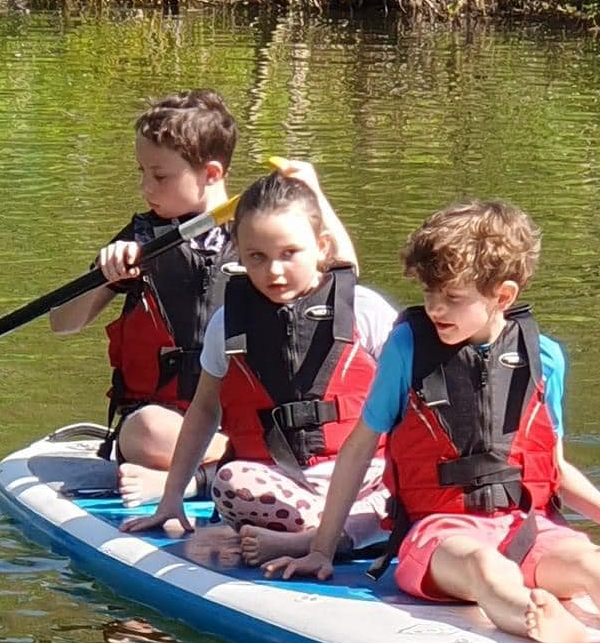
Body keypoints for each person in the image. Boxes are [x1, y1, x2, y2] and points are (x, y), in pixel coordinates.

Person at [264, 198, 600, 643]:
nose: (435, 307)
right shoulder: (407, 350)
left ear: (503, 295)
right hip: (439, 534)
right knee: (483, 566)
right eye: (431, 292)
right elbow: (357, 450)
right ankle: (532, 616)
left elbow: (552, 466)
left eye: (452, 296)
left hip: (527, 527)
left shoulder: (543, 358)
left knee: (595, 562)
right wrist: (322, 549)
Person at [47, 90, 357, 499]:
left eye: (159, 176)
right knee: (146, 429)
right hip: (172, 425)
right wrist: (106, 275)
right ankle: (229, 468)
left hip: (249, 418)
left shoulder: (258, 233)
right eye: (141, 172)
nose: (145, 187)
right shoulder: (141, 240)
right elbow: (61, 324)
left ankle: (209, 475)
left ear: (211, 174)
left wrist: (315, 195)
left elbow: (344, 280)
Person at [122, 167, 395, 565]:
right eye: (257, 257)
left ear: (321, 247)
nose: (274, 271)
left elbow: (412, 398)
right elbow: (203, 410)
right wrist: (172, 497)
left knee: (404, 488)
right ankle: (331, 534)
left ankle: (321, 537)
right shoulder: (227, 323)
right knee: (232, 484)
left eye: (289, 254)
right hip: (286, 485)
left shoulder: (365, 310)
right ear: (239, 253)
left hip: (366, 477)